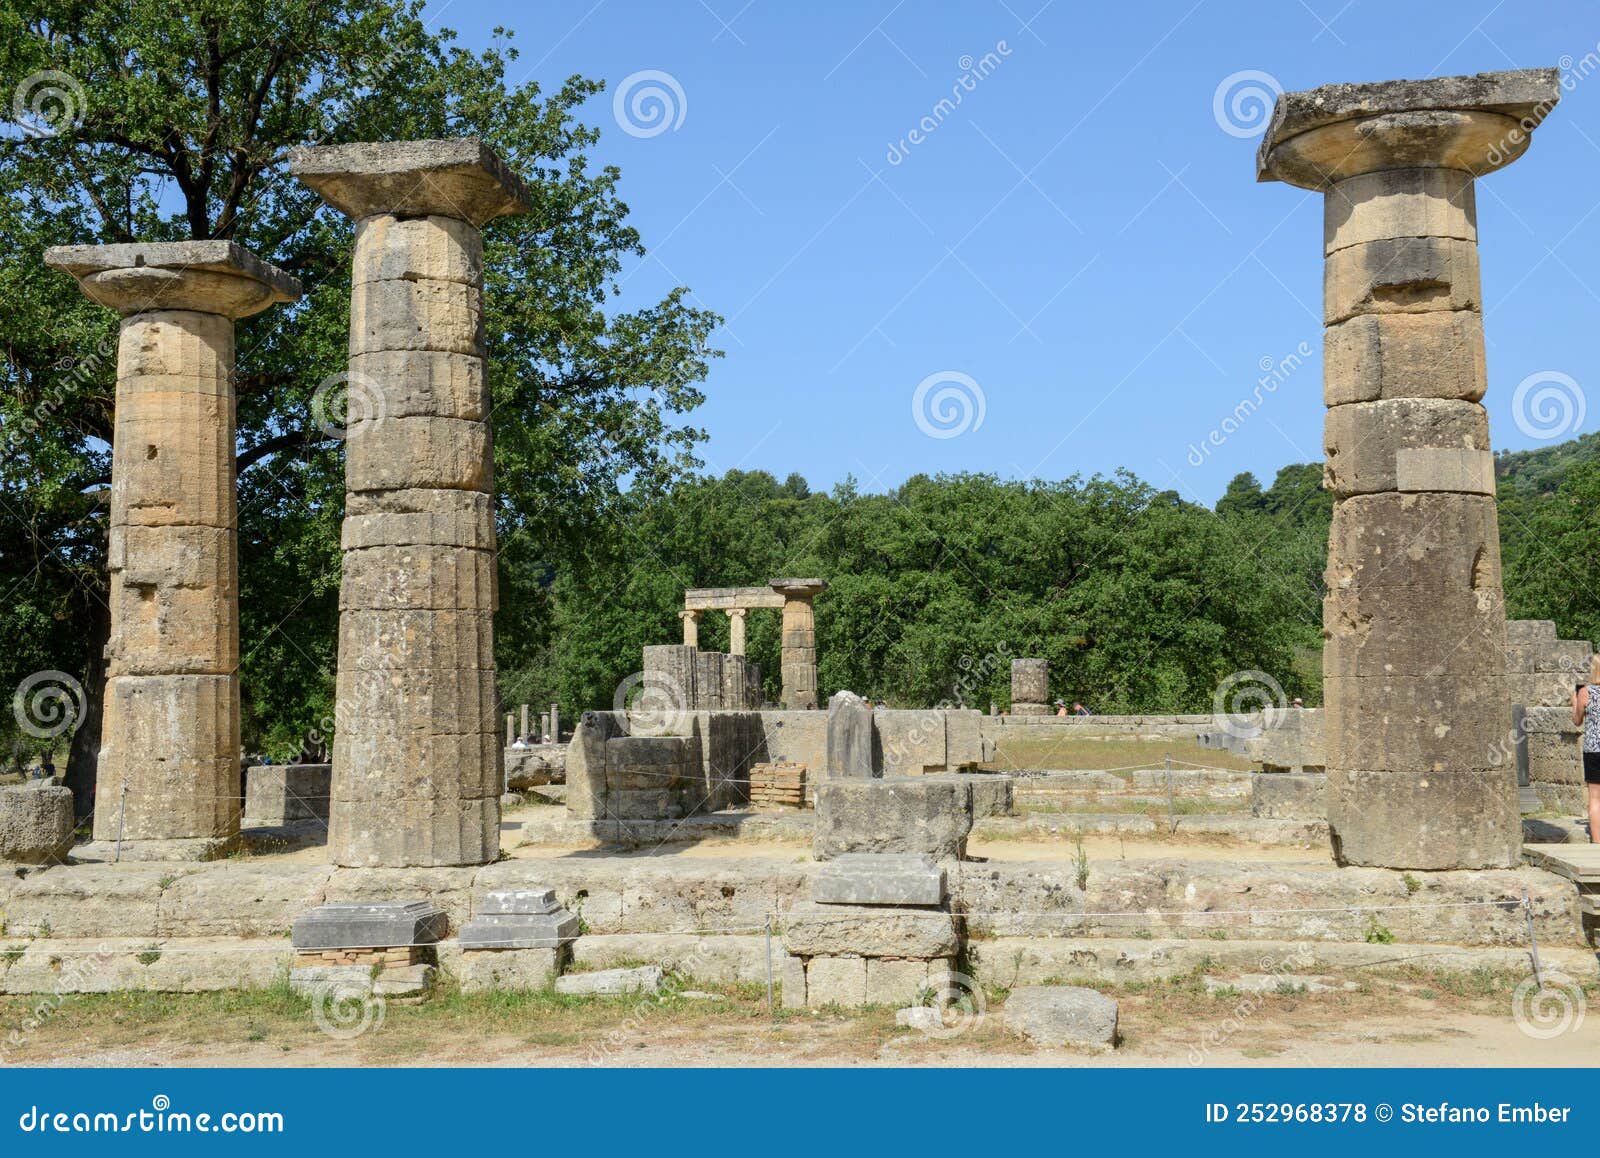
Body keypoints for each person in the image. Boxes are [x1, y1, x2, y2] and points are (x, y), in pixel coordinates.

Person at [1574, 655, 1600, 843]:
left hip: (1593, 750)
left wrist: (1574, 702)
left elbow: (1577, 721)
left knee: (1595, 798)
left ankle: (1598, 843)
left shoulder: (1586, 692)